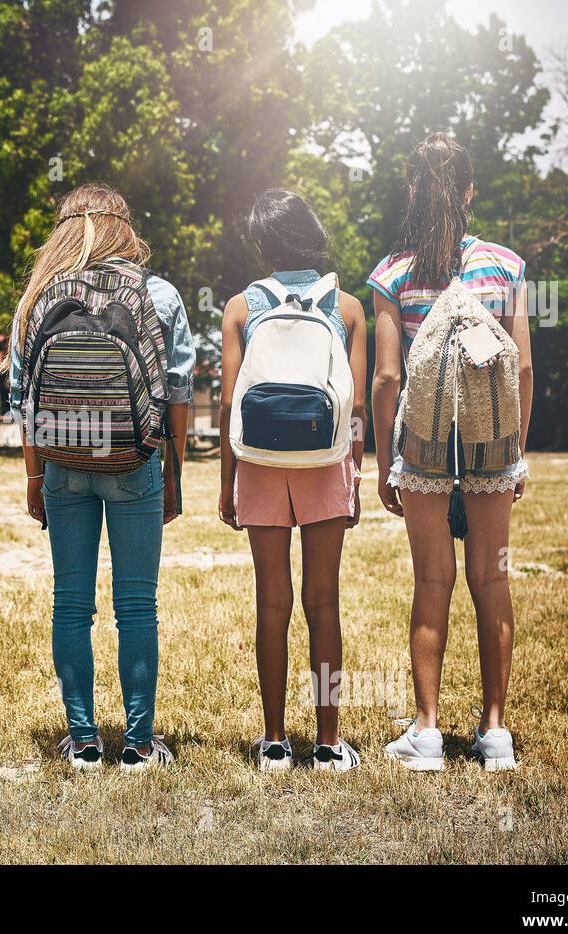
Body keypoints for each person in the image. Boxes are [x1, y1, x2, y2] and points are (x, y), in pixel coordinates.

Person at [8, 182, 194, 773]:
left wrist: (35, 477)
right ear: (124, 226)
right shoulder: (157, 293)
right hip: (136, 459)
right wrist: (174, 470)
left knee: (71, 605)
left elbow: (22, 400)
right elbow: (180, 393)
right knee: (137, 606)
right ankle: (139, 744)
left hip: (65, 461)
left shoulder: (39, 297)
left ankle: (83, 740)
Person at [369, 132, 533, 772]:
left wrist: (389, 463)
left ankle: (428, 732)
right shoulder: (504, 266)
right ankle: (495, 734)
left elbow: (387, 379)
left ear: (412, 190)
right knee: (490, 577)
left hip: (428, 444)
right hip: (491, 440)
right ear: (469, 190)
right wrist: (513, 450)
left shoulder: (394, 274)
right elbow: (518, 365)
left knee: (431, 580)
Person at [218, 189, 368, 773]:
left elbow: (232, 398)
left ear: (262, 246)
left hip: (257, 461)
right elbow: (352, 406)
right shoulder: (347, 307)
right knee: (323, 601)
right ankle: (329, 743)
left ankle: (275, 742)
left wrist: (228, 482)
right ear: (313, 232)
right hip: (325, 460)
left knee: (271, 601)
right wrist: (350, 475)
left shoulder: (239, 307)